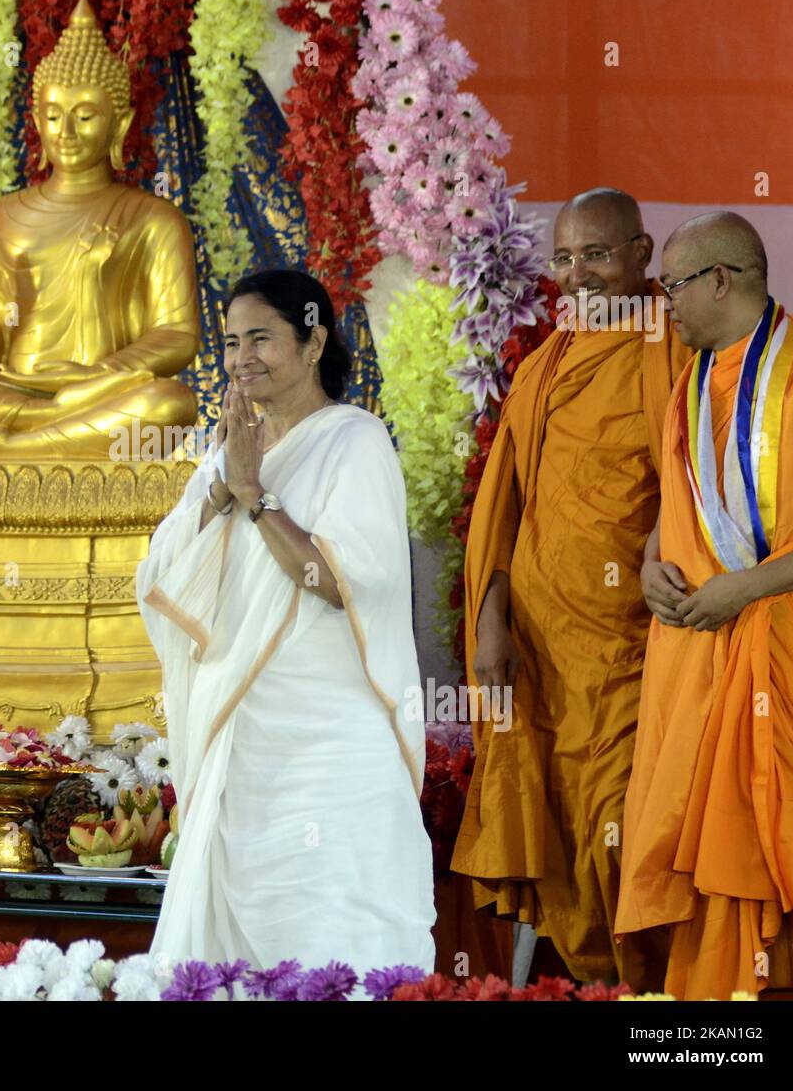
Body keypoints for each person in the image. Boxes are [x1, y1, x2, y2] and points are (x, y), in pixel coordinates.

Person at [138, 268, 436, 976]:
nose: (243, 357)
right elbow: (160, 581)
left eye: (263, 338)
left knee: (335, 938)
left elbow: (339, 582)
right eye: (233, 341)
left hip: (330, 744)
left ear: (313, 343)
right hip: (242, 739)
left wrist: (255, 495)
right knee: (234, 957)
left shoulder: (355, 442)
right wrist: (222, 487)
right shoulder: (223, 456)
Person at [452, 188, 690, 988]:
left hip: (641, 642)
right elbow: (500, 509)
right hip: (540, 646)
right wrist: (489, 621)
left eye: (595, 253)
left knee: (623, 818)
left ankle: (645, 991)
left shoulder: (680, 349)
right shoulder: (545, 364)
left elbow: (706, 491)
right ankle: (575, 982)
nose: (576, 274)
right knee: (553, 819)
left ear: (641, 252)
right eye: (563, 258)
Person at [616, 212, 793, 999]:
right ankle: (714, 1016)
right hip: (700, 663)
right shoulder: (690, 385)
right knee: (708, 858)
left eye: (672, 286)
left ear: (721, 280)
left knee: (787, 844)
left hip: (788, 652)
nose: (665, 304)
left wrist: (746, 587)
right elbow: (679, 506)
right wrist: (648, 562)